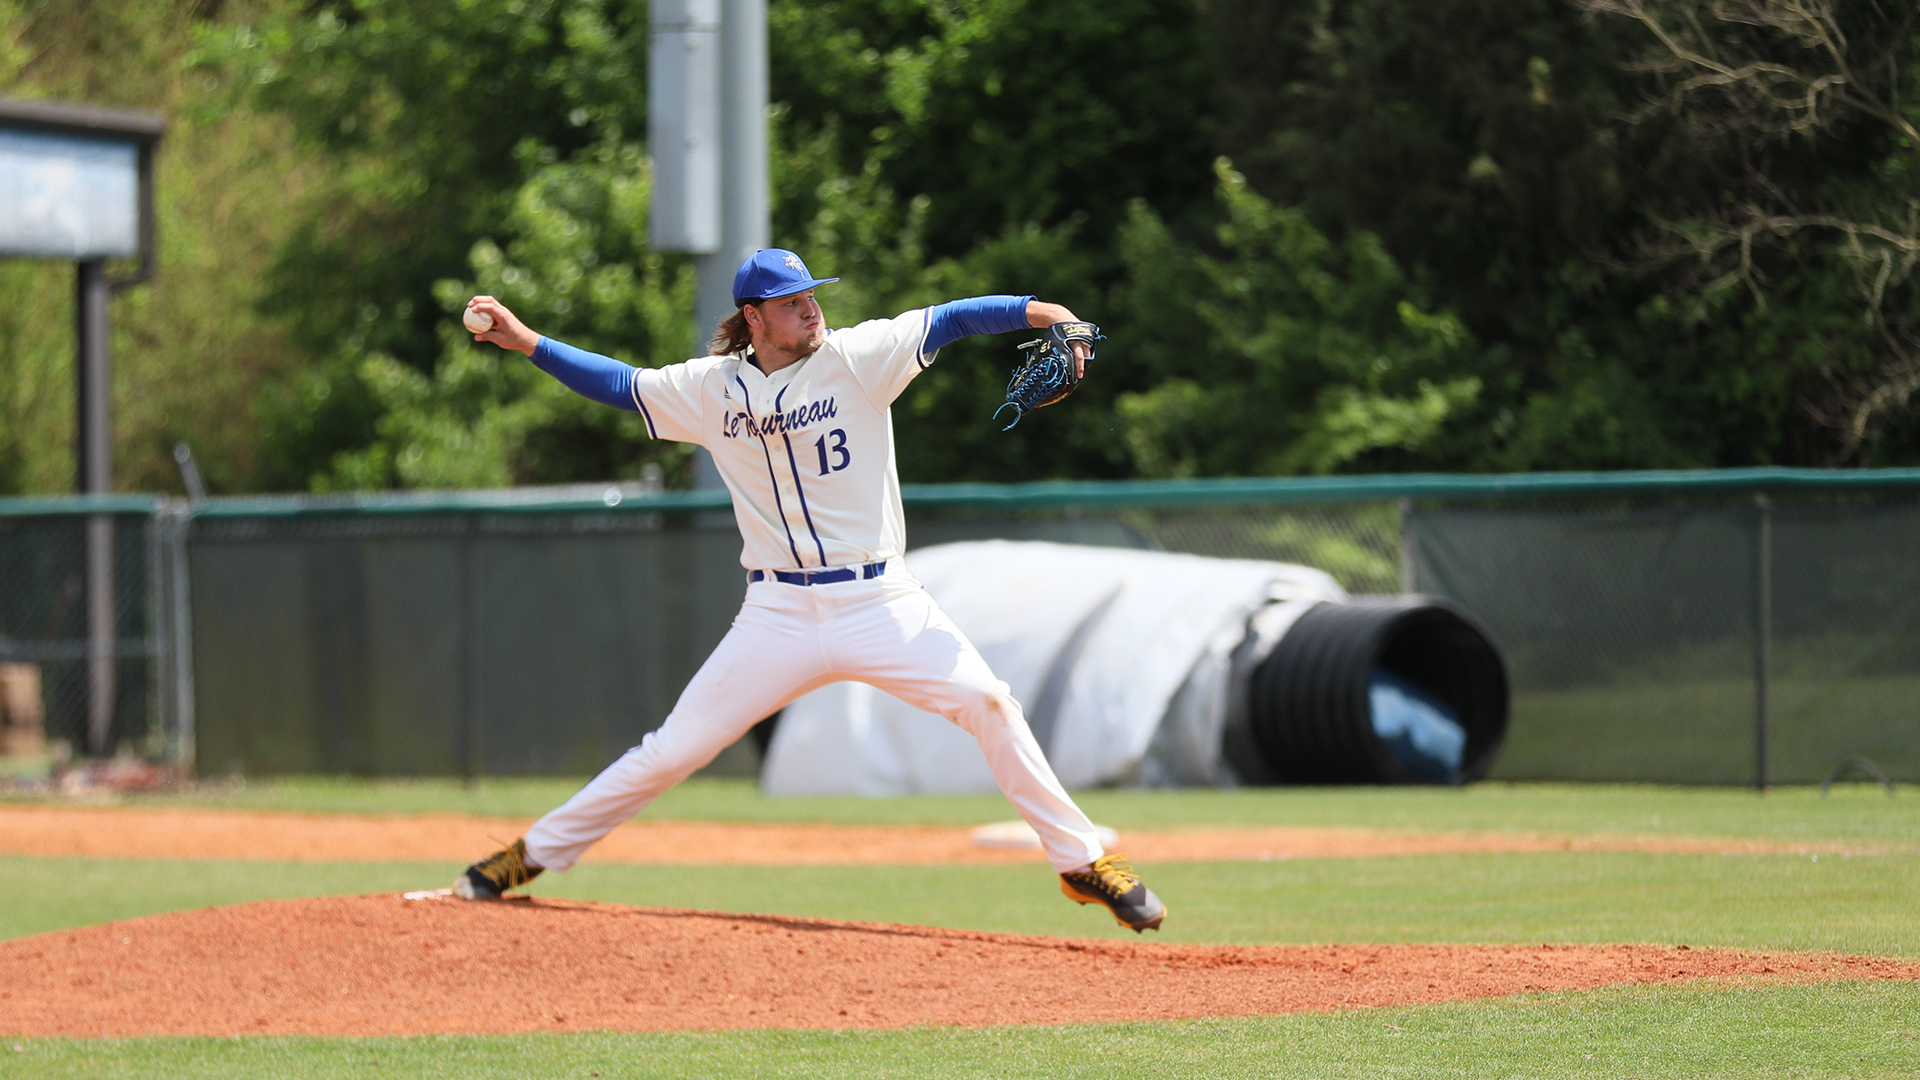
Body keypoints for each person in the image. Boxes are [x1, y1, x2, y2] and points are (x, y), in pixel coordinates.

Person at [451, 248, 1165, 932]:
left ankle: (1082, 863)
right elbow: (620, 383)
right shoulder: (710, 389)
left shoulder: (858, 358)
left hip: (880, 601)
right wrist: (529, 342)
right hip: (778, 613)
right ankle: (528, 855)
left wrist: (1047, 313)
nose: (810, 309)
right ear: (753, 317)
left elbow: (952, 318)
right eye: (790, 302)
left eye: (811, 296)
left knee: (989, 704)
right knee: (671, 750)